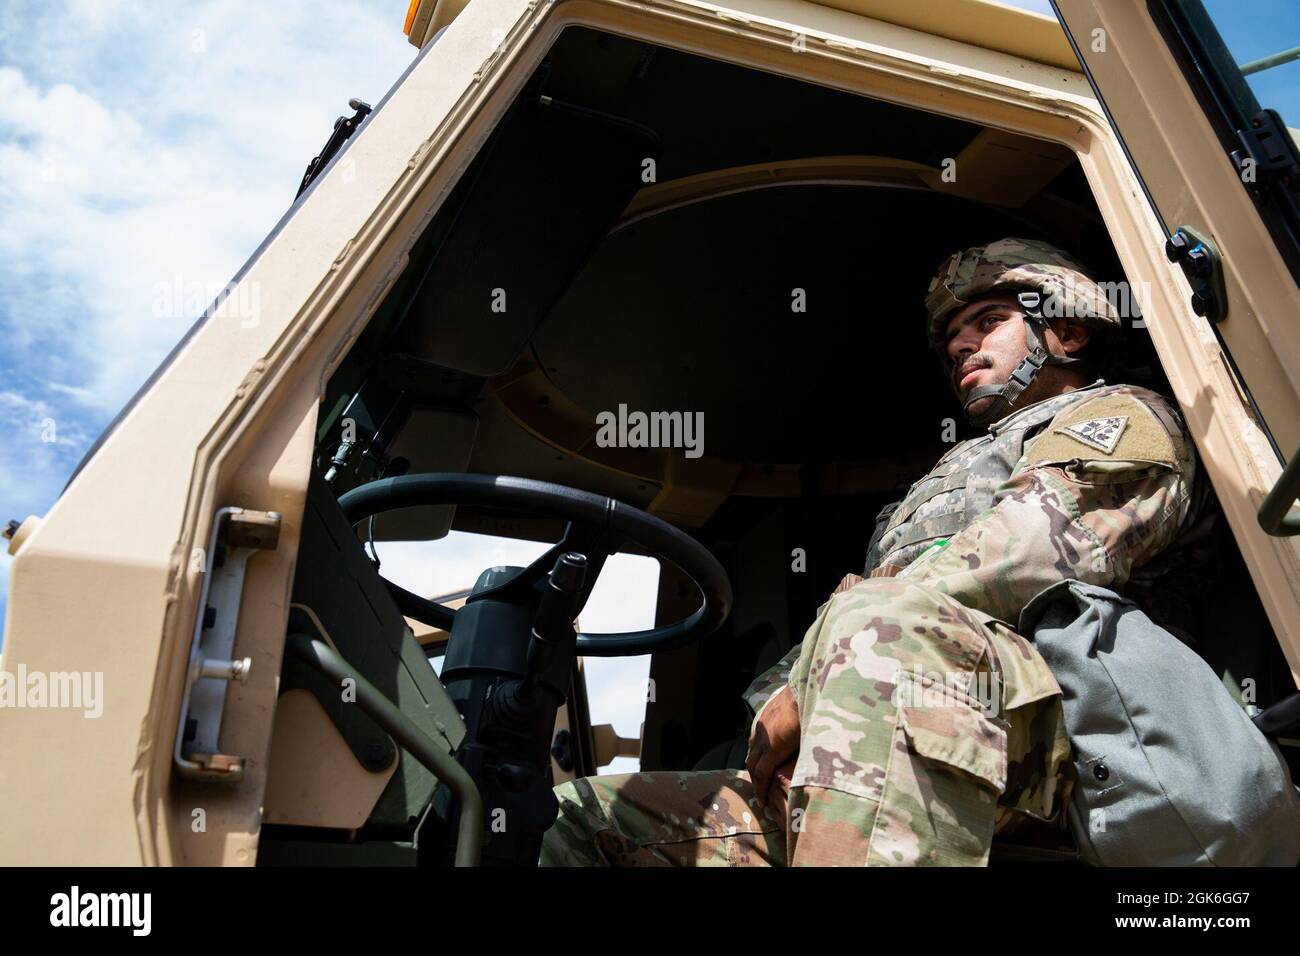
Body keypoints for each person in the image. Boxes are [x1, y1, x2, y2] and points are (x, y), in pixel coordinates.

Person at [540, 237, 1205, 866]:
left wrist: (814, 686)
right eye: (951, 343)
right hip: (891, 710)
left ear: (1069, 331)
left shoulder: (1119, 415)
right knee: (572, 819)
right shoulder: (946, 477)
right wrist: (780, 727)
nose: (963, 346)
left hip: (1068, 732)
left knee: (877, 626)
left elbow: (1033, 547)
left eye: (989, 321)